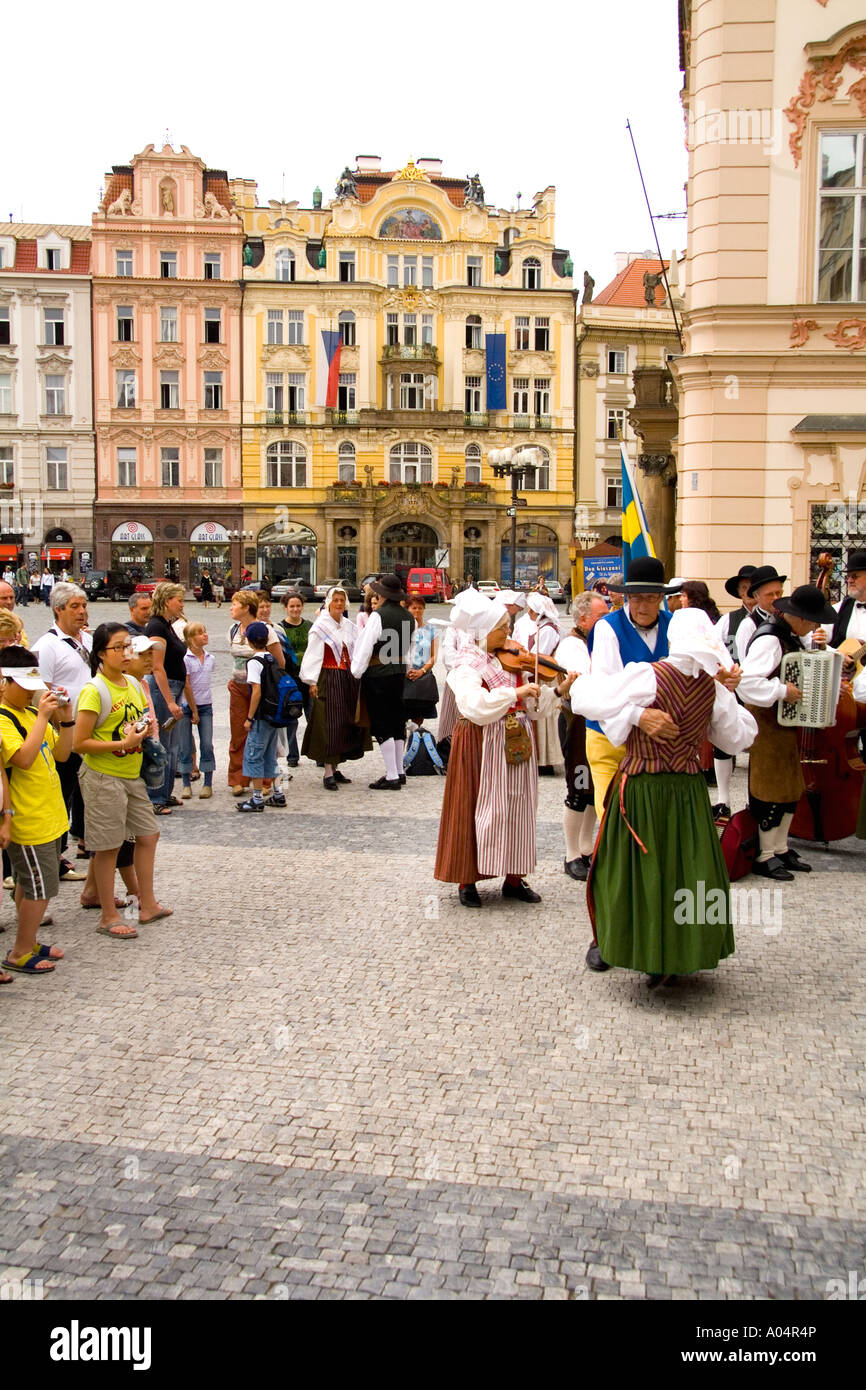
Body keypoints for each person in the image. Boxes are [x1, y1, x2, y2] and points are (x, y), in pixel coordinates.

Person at [573, 609, 757, 985]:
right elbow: (737, 739)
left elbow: (584, 697)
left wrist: (635, 715)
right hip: (688, 790)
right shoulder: (713, 688)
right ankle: (683, 952)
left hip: (644, 785)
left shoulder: (647, 675)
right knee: (687, 871)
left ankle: (640, 949)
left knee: (636, 870)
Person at [434, 589, 559, 907]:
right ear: (483, 632)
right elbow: (474, 706)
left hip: (516, 737)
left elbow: (534, 709)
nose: (509, 633)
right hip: (479, 740)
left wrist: (556, 692)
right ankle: (468, 880)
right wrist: (514, 696)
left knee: (519, 806)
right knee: (473, 806)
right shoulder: (467, 664)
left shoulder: (512, 659)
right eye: (502, 627)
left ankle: (514, 878)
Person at [73, 622, 171, 938]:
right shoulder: (94, 690)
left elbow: (136, 720)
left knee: (148, 835)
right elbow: (80, 743)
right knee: (108, 847)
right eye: (120, 647)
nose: (126, 652)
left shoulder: (131, 683)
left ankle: (148, 903)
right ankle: (108, 915)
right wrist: (121, 745)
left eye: (127, 646)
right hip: (103, 776)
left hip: (131, 774)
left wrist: (141, 733)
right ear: (102, 653)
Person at [738, 583, 836, 880]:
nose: (816, 625)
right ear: (803, 618)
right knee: (770, 787)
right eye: (814, 620)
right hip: (767, 721)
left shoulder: (789, 636)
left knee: (791, 786)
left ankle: (779, 848)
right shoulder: (770, 639)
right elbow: (747, 683)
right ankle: (764, 854)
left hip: (782, 722)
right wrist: (782, 690)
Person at [584, 557, 680, 818]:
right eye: (635, 597)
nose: (642, 605)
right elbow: (606, 690)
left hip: (657, 741)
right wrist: (639, 716)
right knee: (614, 817)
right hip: (609, 736)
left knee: (653, 817)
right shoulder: (608, 628)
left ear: (661, 597)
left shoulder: (675, 626)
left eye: (650, 598)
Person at [0, 648, 71, 975]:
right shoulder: (5, 718)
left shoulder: (29, 713)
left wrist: (65, 717)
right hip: (28, 820)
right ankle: (19, 951)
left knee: (31, 886)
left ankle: (27, 940)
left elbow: (62, 754)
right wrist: (43, 717)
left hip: (49, 816)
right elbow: (23, 759)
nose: (31, 690)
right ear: (4, 682)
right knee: (40, 888)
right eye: (23, 684)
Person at [31, 582, 93, 881]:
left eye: (83, 606)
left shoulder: (89, 641)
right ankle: (54, 856)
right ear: (58, 610)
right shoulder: (46, 646)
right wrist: (59, 723)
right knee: (63, 792)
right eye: (74, 607)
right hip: (63, 732)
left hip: (89, 729)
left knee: (85, 790)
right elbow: (38, 689)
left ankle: (83, 839)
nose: (82, 611)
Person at [555, 592, 609, 880]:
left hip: (596, 722)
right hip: (577, 723)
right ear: (583, 618)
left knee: (592, 791)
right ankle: (571, 853)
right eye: (601, 615)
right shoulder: (572, 645)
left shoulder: (595, 641)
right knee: (578, 789)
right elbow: (585, 680)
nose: (606, 620)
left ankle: (587, 848)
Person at [351, 573, 416, 790]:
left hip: (378, 673)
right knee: (397, 722)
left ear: (383, 595)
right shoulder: (409, 617)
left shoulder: (378, 617)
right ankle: (399, 770)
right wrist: (405, 668)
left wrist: (356, 671)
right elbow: (411, 648)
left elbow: (365, 645)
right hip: (398, 674)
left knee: (381, 723)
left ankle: (391, 775)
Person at [300, 585, 367, 790]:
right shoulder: (320, 627)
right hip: (327, 677)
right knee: (329, 723)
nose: (338, 604)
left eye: (341, 600)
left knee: (344, 723)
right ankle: (328, 771)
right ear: (328, 602)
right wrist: (311, 681)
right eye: (335, 600)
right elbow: (312, 655)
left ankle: (336, 767)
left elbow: (357, 651)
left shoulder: (348, 625)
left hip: (347, 678)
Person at [710, 564, 758, 820]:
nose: (748, 592)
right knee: (723, 741)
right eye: (744, 588)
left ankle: (758, 797)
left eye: (752, 587)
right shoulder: (728, 620)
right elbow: (715, 649)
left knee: (760, 745)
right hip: (731, 685)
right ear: (739, 593)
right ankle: (723, 798)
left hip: (759, 688)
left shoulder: (773, 619)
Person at [227, 590, 286, 796]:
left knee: (262, 734)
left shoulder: (265, 631)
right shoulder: (233, 630)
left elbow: (280, 662)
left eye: (234, 604)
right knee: (237, 733)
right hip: (238, 686)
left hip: (259, 689)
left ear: (246, 607)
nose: (231, 608)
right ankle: (238, 778)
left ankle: (264, 780)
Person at [144, 582, 193, 814]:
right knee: (163, 744)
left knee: (172, 744)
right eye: (179, 600)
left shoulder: (167, 625)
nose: (182, 604)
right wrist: (170, 701)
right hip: (165, 689)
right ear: (166, 601)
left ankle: (165, 793)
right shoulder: (156, 626)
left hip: (174, 686)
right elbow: (157, 667)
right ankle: (156, 796)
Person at [236, 621, 286, 812]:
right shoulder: (272, 659)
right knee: (270, 756)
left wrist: (249, 717)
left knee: (254, 756)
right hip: (274, 715)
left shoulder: (255, 662)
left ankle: (257, 799)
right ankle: (278, 793)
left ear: (249, 641)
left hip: (261, 716)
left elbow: (256, 691)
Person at [511, 592, 562, 775]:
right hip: (536, 675)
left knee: (544, 718)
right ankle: (537, 758)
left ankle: (545, 761)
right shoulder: (541, 627)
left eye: (532, 612)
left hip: (543, 676)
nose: (530, 615)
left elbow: (540, 655)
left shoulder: (547, 630)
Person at [179, 621, 215, 800]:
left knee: (207, 743)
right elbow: (186, 686)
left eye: (205, 631)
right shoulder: (185, 659)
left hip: (206, 705)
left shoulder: (210, 658)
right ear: (190, 638)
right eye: (200, 633)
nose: (205, 635)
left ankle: (208, 783)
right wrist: (193, 710)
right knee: (184, 745)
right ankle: (186, 783)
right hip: (187, 706)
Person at [279, 591, 312, 767]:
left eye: (298, 605)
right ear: (286, 608)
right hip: (290, 679)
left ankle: (318, 754)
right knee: (291, 718)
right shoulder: (279, 628)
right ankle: (292, 755)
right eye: (292, 606)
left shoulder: (309, 626)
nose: (295, 609)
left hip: (308, 677)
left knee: (313, 717)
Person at [734, 565, 786, 662]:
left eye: (778, 593)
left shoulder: (789, 617)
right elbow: (746, 665)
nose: (775, 598)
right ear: (756, 596)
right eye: (770, 594)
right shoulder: (748, 625)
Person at [403, 594, 439, 726]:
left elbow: (434, 656)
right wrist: (406, 671)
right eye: (413, 608)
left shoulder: (431, 630)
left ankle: (416, 743)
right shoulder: (402, 629)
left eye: (420, 608)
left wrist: (422, 671)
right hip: (405, 675)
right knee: (401, 717)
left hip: (423, 676)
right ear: (407, 609)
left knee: (418, 719)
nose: (417, 611)